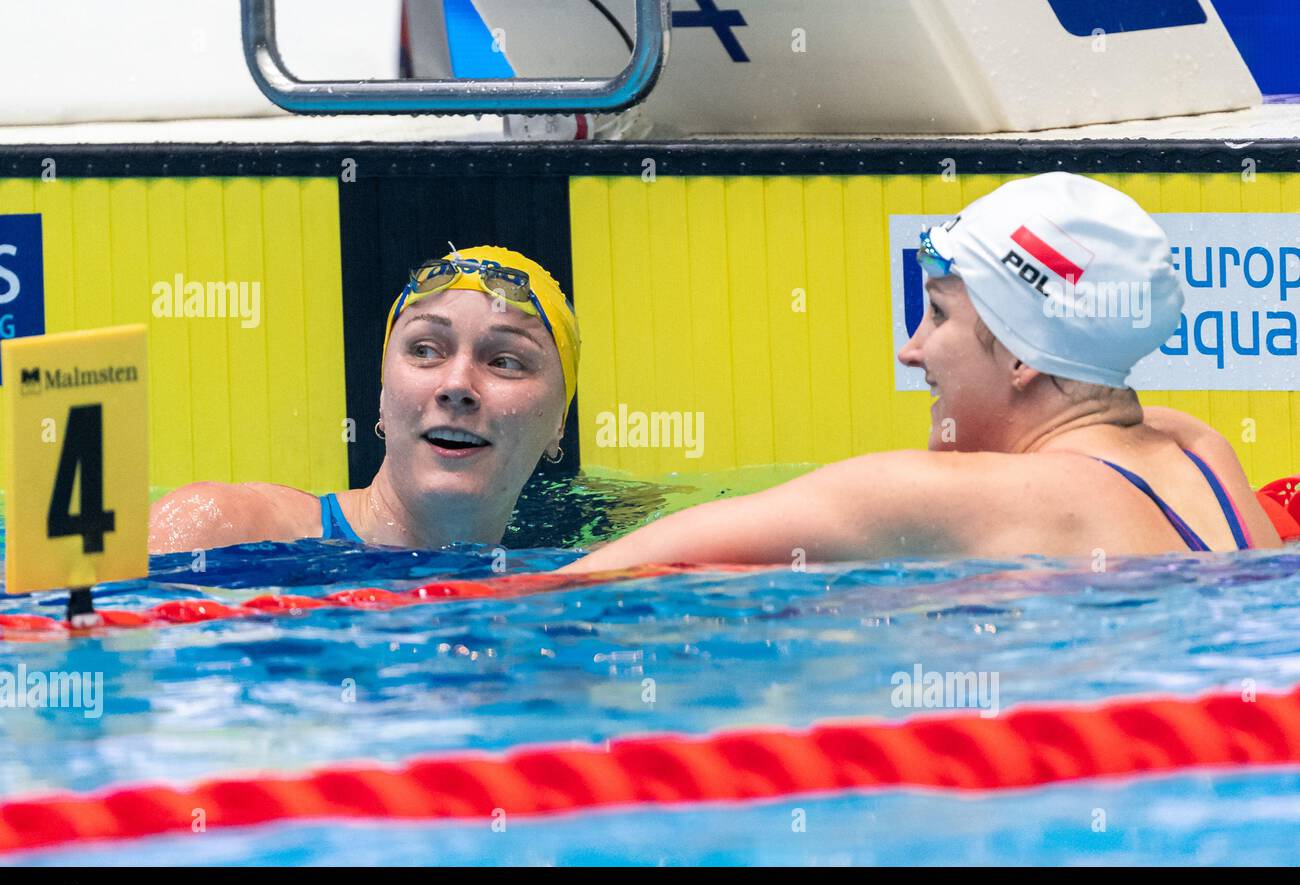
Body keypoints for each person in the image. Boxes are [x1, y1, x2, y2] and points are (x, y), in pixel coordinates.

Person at [562, 172, 1281, 573]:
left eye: (937, 314)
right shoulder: (1197, 448)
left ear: (1024, 354)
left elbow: (580, 584)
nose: (912, 350)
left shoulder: (945, 495)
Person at [148, 245, 580, 552]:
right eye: (425, 350)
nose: (456, 385)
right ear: (382, 397)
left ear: (560, 419)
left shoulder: (566, 582)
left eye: (505, 361)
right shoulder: (223, 529)